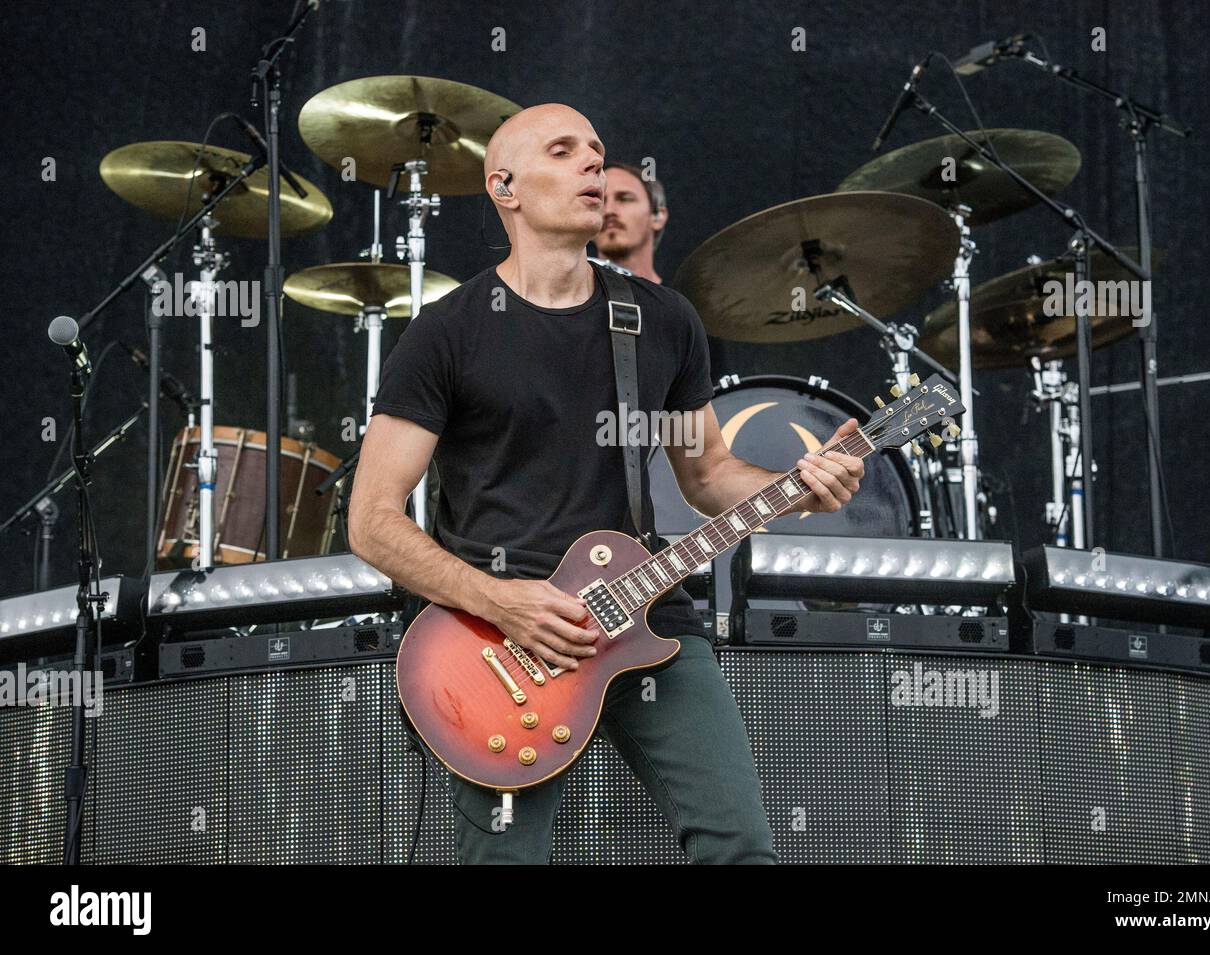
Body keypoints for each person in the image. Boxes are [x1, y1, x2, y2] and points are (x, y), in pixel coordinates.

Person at [348, 103, 866, 864]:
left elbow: (710, 474)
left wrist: (797, 483)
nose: (594, 164)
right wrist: (500, 600)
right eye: (564, 152)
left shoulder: (660, 320)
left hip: (648, 617)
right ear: (505, 186)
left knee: (742, 843)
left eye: (597, 151)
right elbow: (371, 520)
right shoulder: (446, 332)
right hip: (500, 643)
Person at [593, 161, 668, 282]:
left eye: (624, 199)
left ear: (658, 217)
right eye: (600, 201)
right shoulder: (564, 297)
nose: (608, 210)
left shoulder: (682, 299)